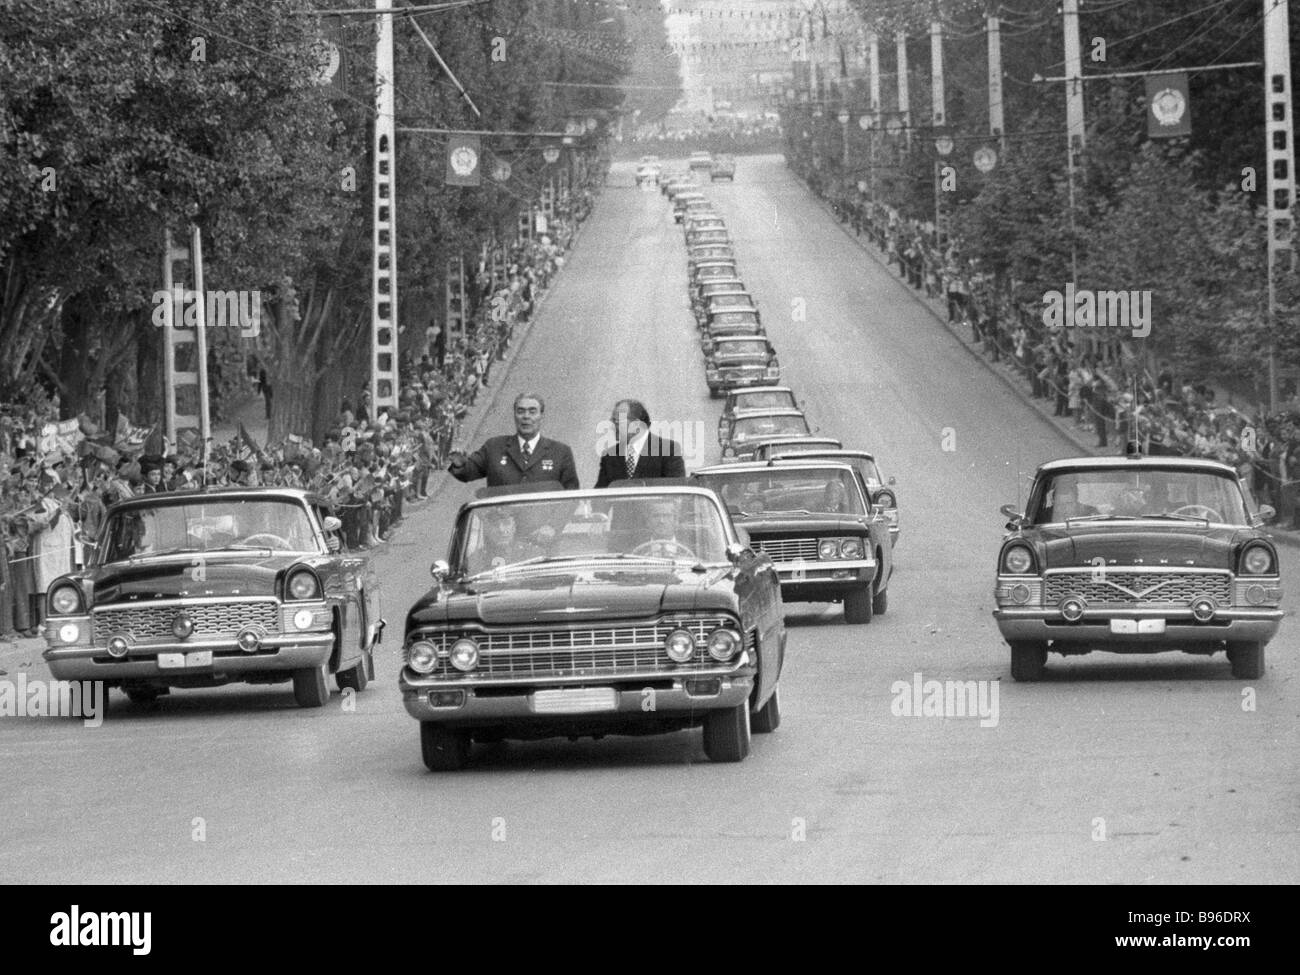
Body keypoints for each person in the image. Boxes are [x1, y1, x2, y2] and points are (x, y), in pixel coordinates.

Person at [447, 393, 579, 490]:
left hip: (545, 526)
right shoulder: (494, 447)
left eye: (532, 412)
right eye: (520, 411)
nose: (526, 417)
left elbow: (571, 498)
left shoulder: (561, 452)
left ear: (541, 416)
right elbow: (468, 471)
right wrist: (460, 464)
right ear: (514, 415)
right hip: (500, 524)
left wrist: (551, 527)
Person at [594, 399, 686, 488]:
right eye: (612, 421)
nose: (612, 427)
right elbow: (599, 496)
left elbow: (677, 494)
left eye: (617, 422)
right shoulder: (609, 456)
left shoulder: (668, 450)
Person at [467, 507, 544, 574]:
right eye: (495, 524)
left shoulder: (534, 554)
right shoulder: (476, 559)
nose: (501, 529)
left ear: (514, 527)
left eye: (506, 523)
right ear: (487, 529)